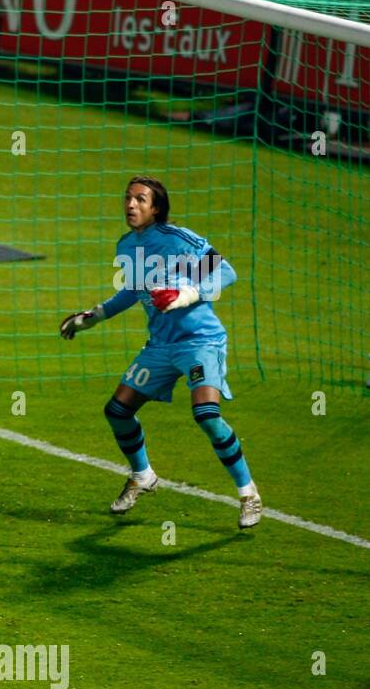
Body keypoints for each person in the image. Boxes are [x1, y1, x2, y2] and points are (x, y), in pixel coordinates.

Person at [60, 175, 261, 528]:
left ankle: (248, 494)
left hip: (200, 341)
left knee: (206, 415)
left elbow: (225, 271)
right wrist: (92, 317)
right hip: (161, 346)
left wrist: (184, 296)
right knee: (118, 410)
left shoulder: (178, 240)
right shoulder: (126, 247)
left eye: (140, 199)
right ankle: (142, 475)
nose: (130, 205)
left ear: (156, 208)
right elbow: (131, 291)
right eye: (127, 198)